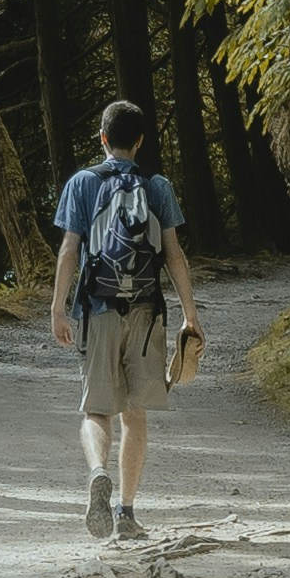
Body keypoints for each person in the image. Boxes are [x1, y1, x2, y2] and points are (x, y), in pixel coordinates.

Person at [47, 97, 201, 539]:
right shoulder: (157, 186)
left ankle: (98, 471)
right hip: (147, 312)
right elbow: (173, 254)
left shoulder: (82, 183)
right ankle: (127, 513)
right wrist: (191, 316)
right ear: (139, 140)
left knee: (97, 411)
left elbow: (69, 249)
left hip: (97, 309)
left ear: (102, 138)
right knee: (135, 414)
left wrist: (59, 307)